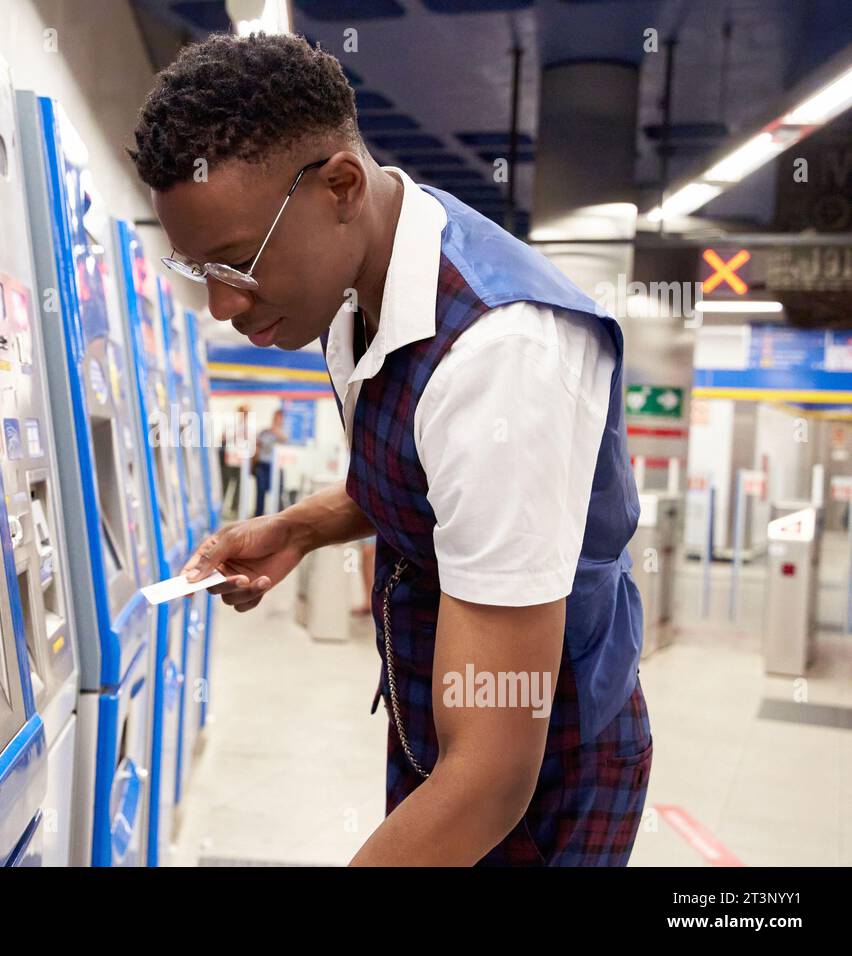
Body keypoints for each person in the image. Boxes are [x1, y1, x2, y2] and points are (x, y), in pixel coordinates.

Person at [130, 32, 649, 866]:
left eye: (236, 264)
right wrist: (300, 527)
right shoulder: (355, 279)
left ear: (338, 185)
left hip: (545, 769)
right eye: (198, 270)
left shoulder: (500, 354)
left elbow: (490, 780)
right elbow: (433, 483)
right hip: (440, 726)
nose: (223, 306)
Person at [252, 409, 286, 517]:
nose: (277, 420)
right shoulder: (264, 432)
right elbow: (257, 446)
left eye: (280, 418)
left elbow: (285, 439)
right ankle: (258, 516)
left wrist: (275, 430)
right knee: (260, 492)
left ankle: (277, 517)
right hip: (262, 465)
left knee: (277, 492)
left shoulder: (282, 434)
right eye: (276, 418)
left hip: (275, 467)